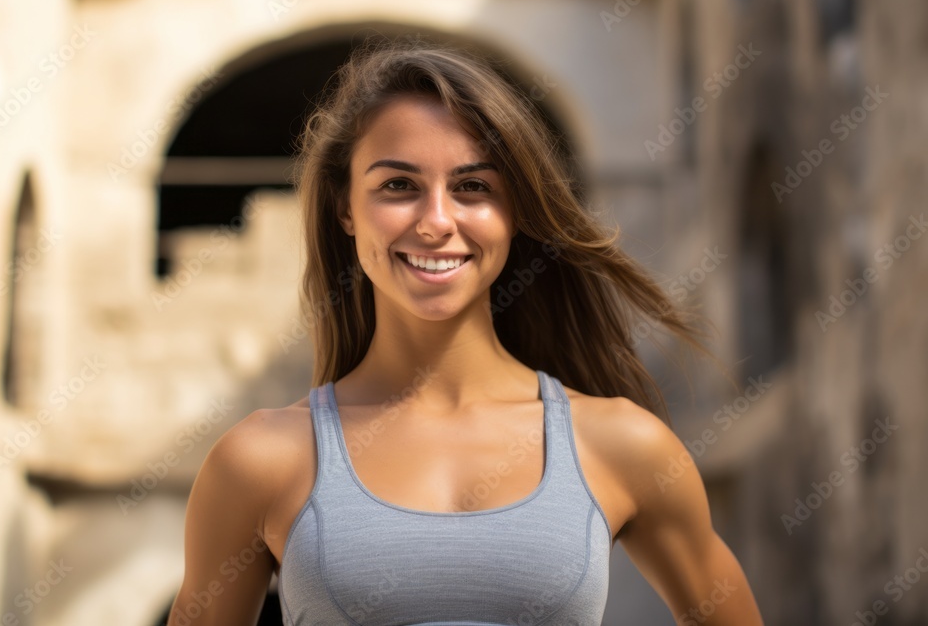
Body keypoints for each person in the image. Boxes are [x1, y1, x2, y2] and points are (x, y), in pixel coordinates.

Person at [167, 38, 765, 625]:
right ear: (345, 208)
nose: (436, 222)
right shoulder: (259, 461)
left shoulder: (621, 445)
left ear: (516, 212)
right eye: (398, 186)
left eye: (474, 187)